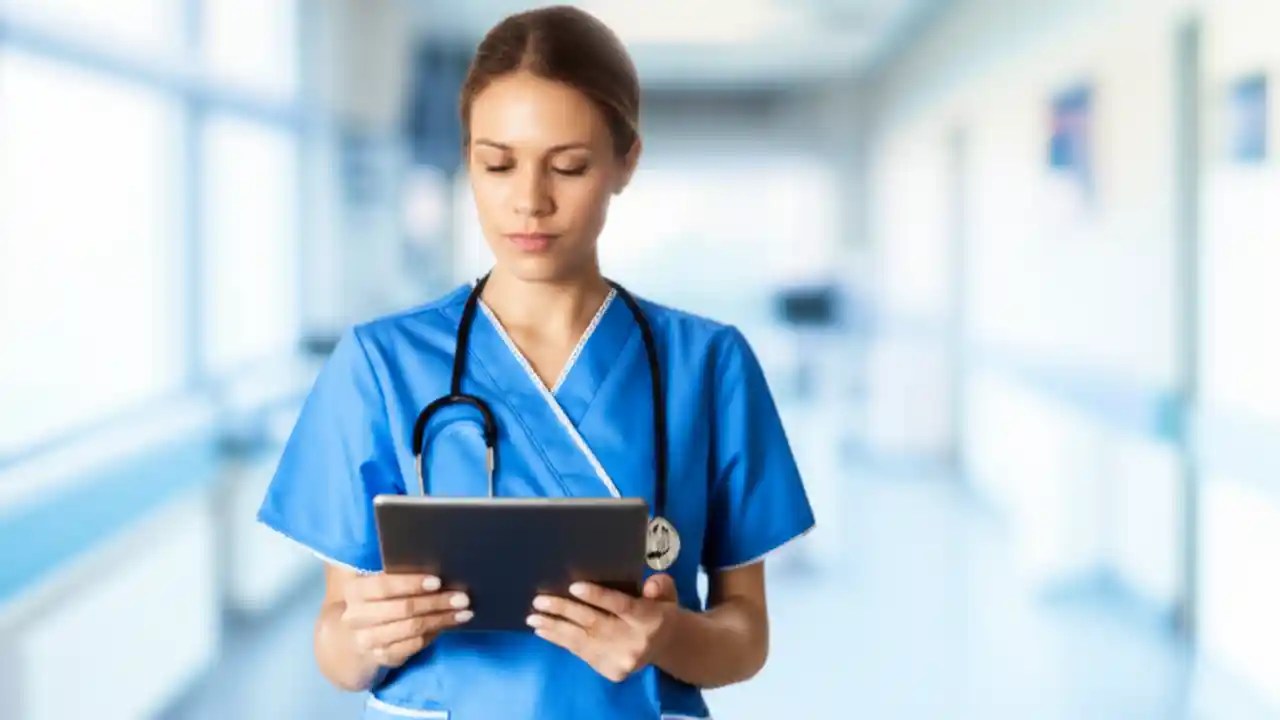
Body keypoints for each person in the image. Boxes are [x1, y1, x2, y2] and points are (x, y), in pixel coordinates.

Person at [257, 5, 815, 718]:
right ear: (467, 161)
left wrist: (666, 635)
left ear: (625, 161)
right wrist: (372, 637)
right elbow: (337, 645)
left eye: (570, 166)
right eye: (497, 163)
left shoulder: (707, 365)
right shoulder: (380, 365)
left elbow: (746, 635)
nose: (529, 201)